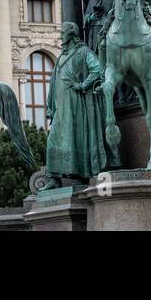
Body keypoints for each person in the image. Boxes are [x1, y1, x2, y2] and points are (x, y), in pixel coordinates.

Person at [42, 23, 117, 187]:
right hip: (60, 106)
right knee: (54, 139)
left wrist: (83, 85)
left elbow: (97, 69)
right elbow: (54, 83)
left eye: (63, 32)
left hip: (75, 105)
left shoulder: (83, 52)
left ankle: (79, 174)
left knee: (74, 138)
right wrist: (50, 106)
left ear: (72, 34)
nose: (60, 35)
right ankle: (54, 178)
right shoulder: (61, 56)